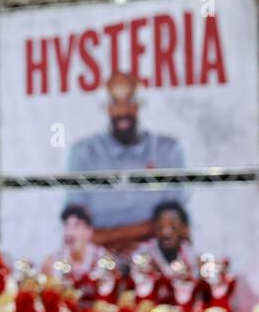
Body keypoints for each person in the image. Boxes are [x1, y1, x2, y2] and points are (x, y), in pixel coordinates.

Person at [66, 72, 187, 236]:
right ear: (105, 107)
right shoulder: (83, 152)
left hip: (155, 255)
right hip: (99, 256)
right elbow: (78, 233)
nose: (123, 111)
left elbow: (176, 228)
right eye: (115, 102)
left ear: (140, 105)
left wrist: (108, 236)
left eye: (130, 102)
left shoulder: (167, 150)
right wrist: (147, 230)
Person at [42, 205, 109, 285]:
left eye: (76, 225)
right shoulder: (54, 260)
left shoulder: (101, 258)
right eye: (66, 225)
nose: (69, 232)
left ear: (89, 232)